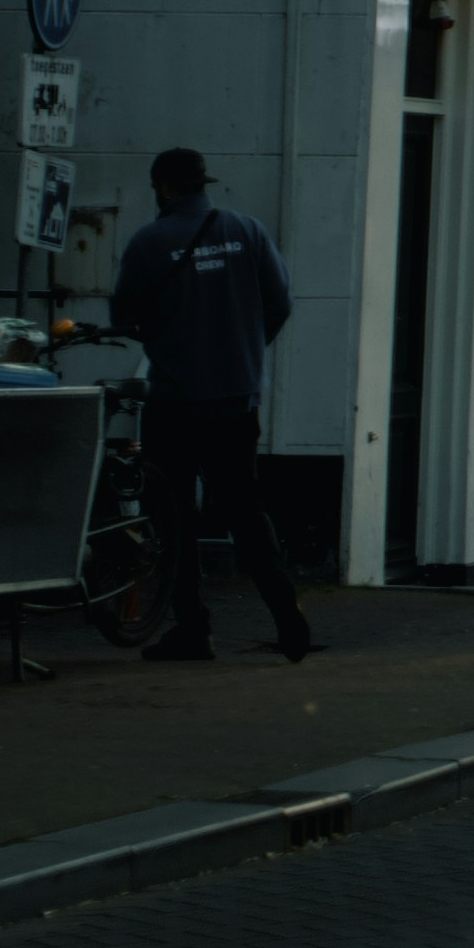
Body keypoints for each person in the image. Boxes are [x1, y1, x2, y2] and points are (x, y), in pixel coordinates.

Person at [111, 148, 312, 665]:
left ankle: (193, 631)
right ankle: (288, 617)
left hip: (176, 401)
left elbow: (125, 315)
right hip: (235, 399)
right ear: (204, 184)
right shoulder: (247, 231)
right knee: (246, 511)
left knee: (174, 516)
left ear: (162, 188)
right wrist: (247, 348)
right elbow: (281, 303)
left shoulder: (149, 242)